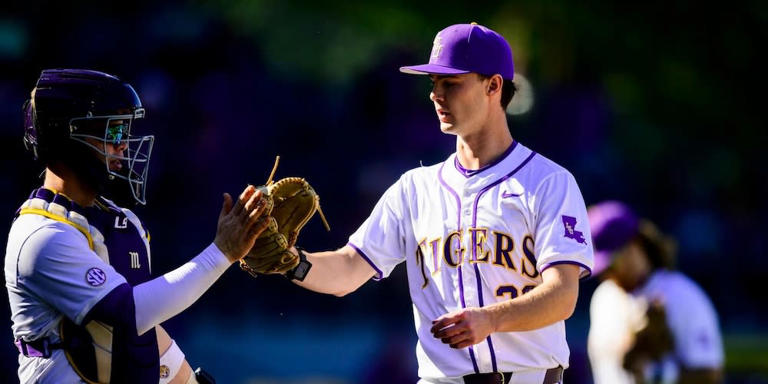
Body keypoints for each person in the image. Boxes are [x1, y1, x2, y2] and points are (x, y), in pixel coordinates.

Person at [277, 23, 594, 383]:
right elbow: (349, 269)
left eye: (451, 83)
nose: (436, 95)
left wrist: (491, 319)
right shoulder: (415, 188)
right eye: (433, 84)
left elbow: (563, 295)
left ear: (493, 86)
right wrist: (291, 263)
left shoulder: (549, 182)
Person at [5, 69, 270, 383]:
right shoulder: (42, 235)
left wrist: (187, 381)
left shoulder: (120, 221)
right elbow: (132, 314)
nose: (124, 145)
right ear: (67, 137)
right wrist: (222, 253)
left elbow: (142, 334)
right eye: (113, 132)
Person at [586, 200, 724, 384]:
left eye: (612, 264)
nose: (608, 275)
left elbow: (710, 374)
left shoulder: (682, 296)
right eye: (602, 270)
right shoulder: (603, 298)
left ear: (635, 244)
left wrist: (656, 373)